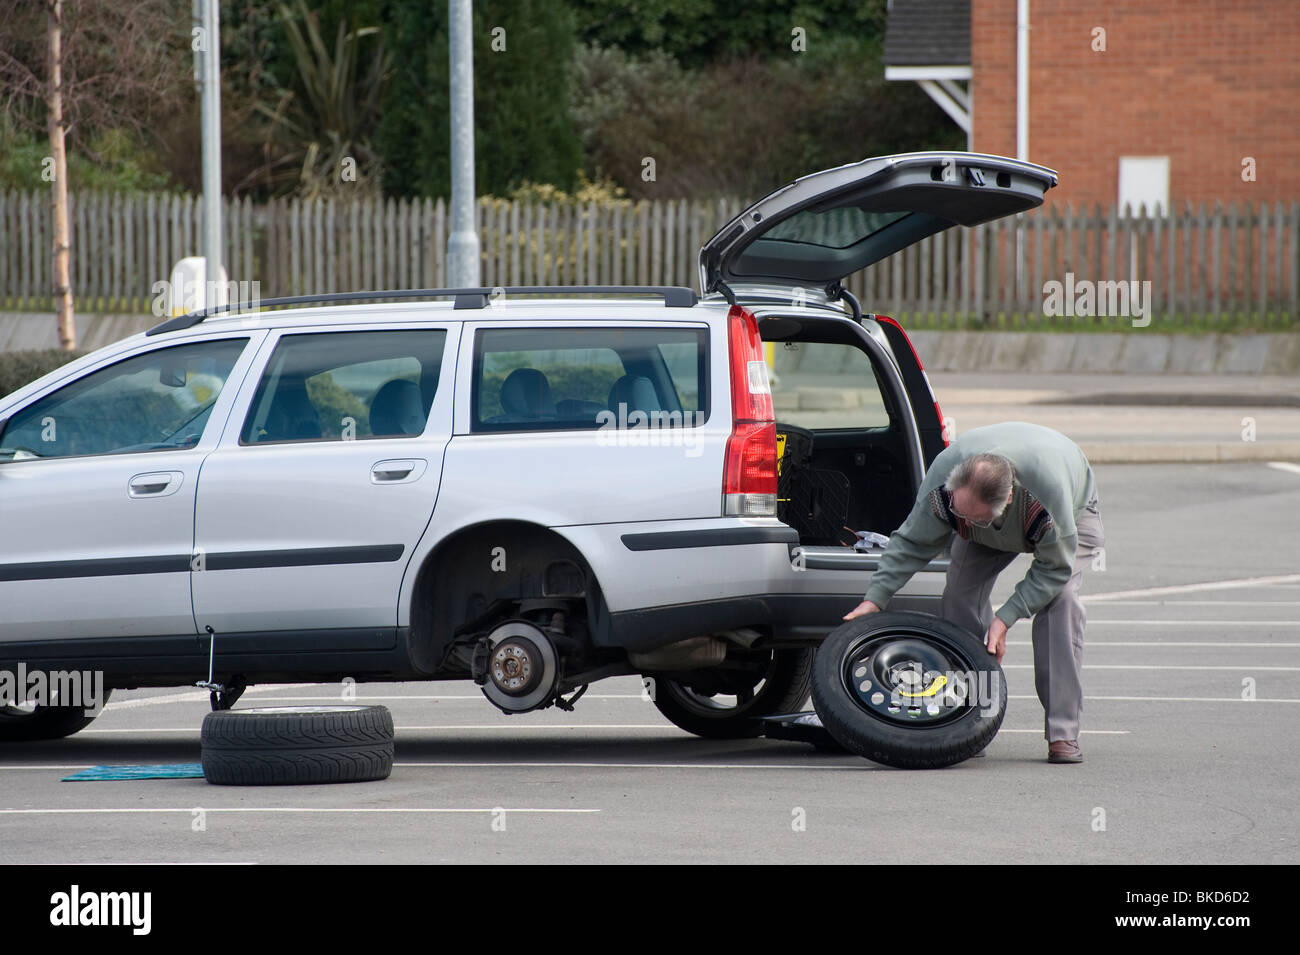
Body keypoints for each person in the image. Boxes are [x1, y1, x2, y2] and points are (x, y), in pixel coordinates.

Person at [842, 421, 1104, 764]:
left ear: (1008, 499)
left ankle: (1063, 732)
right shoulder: (947, 484)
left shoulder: (1047, 493)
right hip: (987, 517)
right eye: (957, 514)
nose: (961, 523)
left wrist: (1004, 618)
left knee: (1061, 603)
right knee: (959, 596)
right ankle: (970, 721)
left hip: (1070, 514)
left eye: (972, 519)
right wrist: (874, 599)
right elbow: (911, 542)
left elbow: (1054, 568)